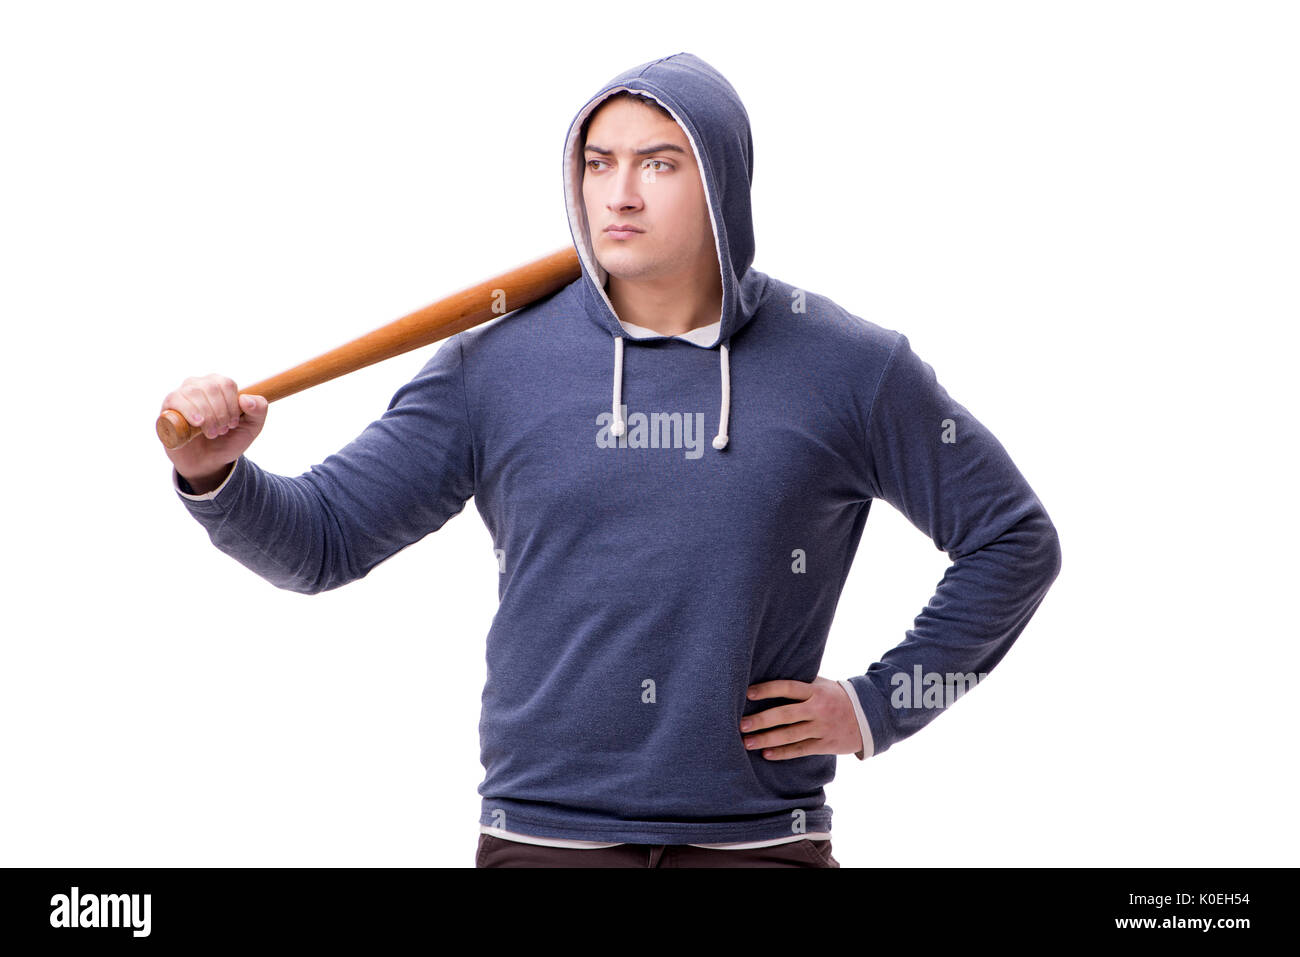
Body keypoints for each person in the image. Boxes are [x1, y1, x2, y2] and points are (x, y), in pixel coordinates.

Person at [162, 52, 1062, 869]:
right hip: (541, 838)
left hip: (762, 842)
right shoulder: (495, 365)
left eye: (659, 163)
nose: (619, 194)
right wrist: (219, 476)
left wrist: (875, 707)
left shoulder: (849, 368)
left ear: (722, 181)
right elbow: (321, 543)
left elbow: (1013, 540)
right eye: (599, 163)